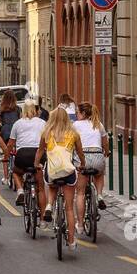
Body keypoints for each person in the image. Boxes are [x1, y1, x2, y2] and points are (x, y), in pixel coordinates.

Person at [34, 105, 83, 251]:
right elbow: (80, 154)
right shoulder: (73, 133)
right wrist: (83, 165)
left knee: (52, 186)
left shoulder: (47, 133)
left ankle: (49, 205)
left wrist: (36, 164)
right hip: (68, 172)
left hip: (53, 171)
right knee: (69, 208)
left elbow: (39, 151)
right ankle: (72, 241)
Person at [73, 102, 108, 223]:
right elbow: (105, 143)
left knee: (80, 193)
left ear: (83, 113)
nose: (76, 114)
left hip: (83, 158)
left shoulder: (75, 125)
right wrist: (106, 153)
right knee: (99, 174)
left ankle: (80, 224)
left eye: (77, 112)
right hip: (98, 155)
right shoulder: (98, 124)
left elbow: (70, 142)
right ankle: (99, 195)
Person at [7, 100, 46, 207]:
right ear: (35, 110)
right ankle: (43, 220)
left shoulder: (18, 123)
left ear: (23, 110)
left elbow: (10, 144)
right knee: (41, 188)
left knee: (16, 172)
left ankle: (20, 190)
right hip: (38, 155)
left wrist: (6, 157)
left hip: (22, 155)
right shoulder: (42, 123)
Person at [0, 92, 21, 186]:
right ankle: (18, 172)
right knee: (17, 151)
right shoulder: (18, 109)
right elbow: (20, 120)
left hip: (5, 132)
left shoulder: (1, 109)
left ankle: (6, 177)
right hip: (16, 131)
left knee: (6, 154)